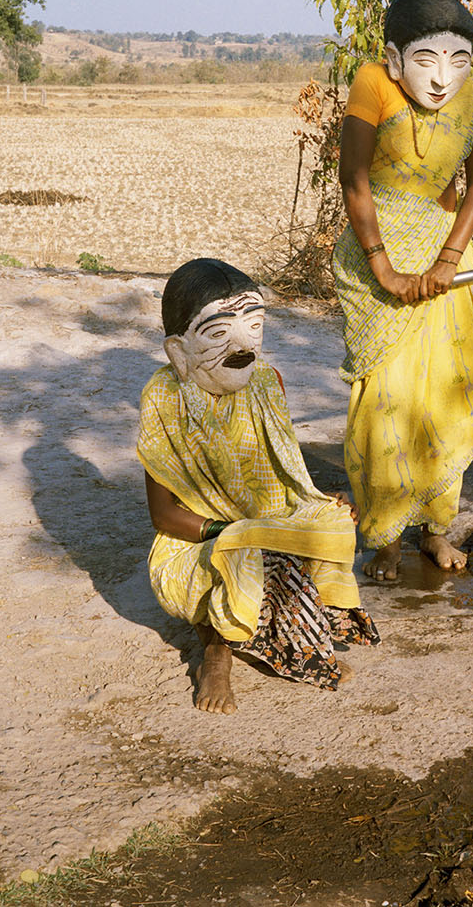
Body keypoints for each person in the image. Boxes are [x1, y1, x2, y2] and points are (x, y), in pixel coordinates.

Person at [333, 0, 473, 582]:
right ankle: (385, 535)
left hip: (447, 259)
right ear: (394, 58)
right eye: (426, 60)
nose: (443, 79)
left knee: (445, 395)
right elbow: (353, 179)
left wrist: (448, 258)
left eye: (458, 62)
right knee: (384, 398)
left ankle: (436, 529)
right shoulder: (372, 84)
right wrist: (384, 266)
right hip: (374, 257)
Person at [138, 257, 379, 716]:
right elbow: (163, 515)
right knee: (248, 554)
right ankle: (217, 652)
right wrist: (234, 534)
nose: (244, 345)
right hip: (199, 542)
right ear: (178, 349)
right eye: (219, 333)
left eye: (255, 324)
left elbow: (281, 462)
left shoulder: (268, 383)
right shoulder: (164, 397)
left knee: (330, 523)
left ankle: (281, 637)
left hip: (268, 526)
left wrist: (314, 499)